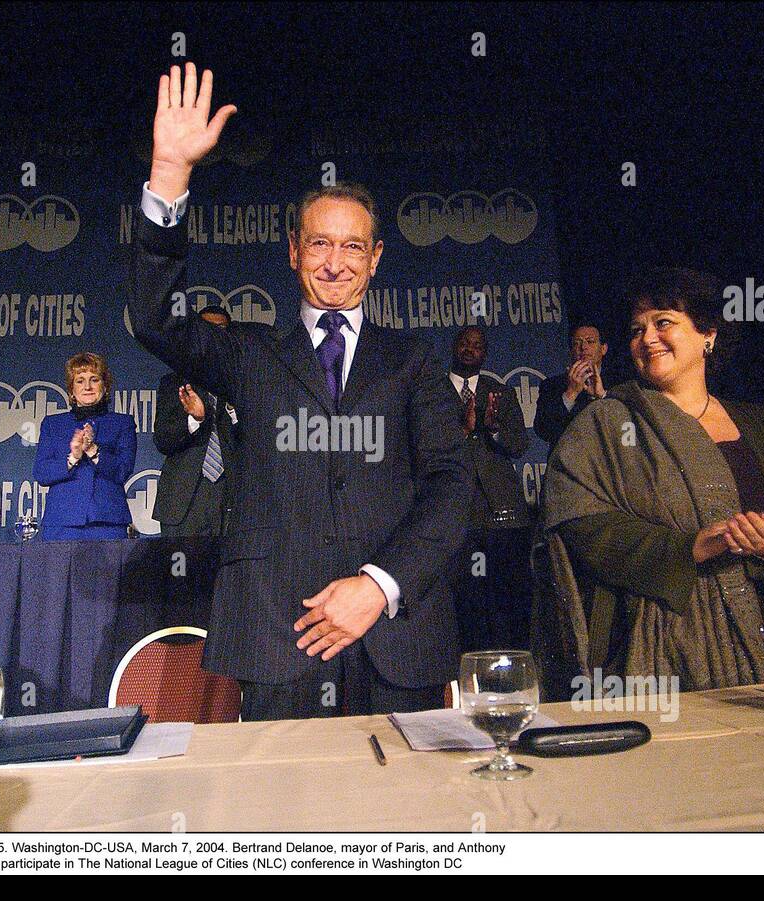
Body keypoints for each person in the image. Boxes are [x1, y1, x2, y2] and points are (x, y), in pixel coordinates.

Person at [128, 63, 471, 720]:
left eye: (352, 246)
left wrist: (379, 583)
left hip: (395, 635)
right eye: (319, 243)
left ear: (375, 258)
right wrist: (170, 176)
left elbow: (451, 484)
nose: (335, 262)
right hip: (277, 633)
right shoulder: (247, 354)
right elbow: (155, 319)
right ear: (292, 251)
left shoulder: (414, 360)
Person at [540, 267, 764, 690]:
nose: (646, 338)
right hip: (664, 651)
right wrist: (687, 549)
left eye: (663, 322)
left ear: (708, 335)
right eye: (636, 329)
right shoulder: (608, 424)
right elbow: (577, 521)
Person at [447, 326, 533, 652]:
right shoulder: (433, 391)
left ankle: (511, 675)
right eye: (466, 344)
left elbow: (520, 445)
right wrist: (463, 430)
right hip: (457, 516)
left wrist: (494, 431)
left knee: (506, 604)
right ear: (455, 347)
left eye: (478, 346)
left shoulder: (500, 393)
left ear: (485, 354)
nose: (471, 350)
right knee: (466, 604)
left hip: (502, 516)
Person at [153, 305, 239, 539]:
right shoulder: (174, 383)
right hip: (184, 502)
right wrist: (194, 419)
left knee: (227, 575)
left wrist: (233, 411)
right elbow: (162, 440)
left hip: (231, 500)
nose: (214, 337)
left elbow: (257, 442)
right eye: (207, 330)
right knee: (182, 575)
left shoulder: (244, 386)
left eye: (221, 330)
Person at [32, 352, 136, 541]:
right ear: (71, 390)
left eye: (94, 380)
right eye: (80, 381)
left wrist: (93, 450)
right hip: (62, 523)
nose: (87, 387)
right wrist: (73, 457)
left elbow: (123, 470)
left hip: (108, 522)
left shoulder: (122, 423)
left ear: (105, 386)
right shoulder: (53, 424)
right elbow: (42, 473)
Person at [534, 321, 609, 453]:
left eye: (590, 341)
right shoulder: (552, 386)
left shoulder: (619, 383)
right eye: (577, 343)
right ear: (571, 351)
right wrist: (570, 394)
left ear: (603, 349)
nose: (583, 347)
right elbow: (543, 431)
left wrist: (602, 396)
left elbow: (627, 428)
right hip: (569, 466)